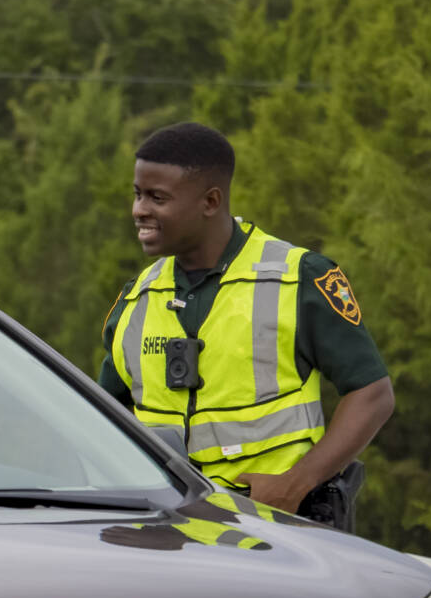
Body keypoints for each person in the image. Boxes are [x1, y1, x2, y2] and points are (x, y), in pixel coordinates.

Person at [97, 122, 395, 527]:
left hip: (280, 533)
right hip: (169, 537)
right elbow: (100, 421)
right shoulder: (136, 298)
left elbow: (373, 394)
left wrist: (295, 484)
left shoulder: (299, 278)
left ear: (211, 201)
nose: (139, 210)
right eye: (137, 195)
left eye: (157, 198)